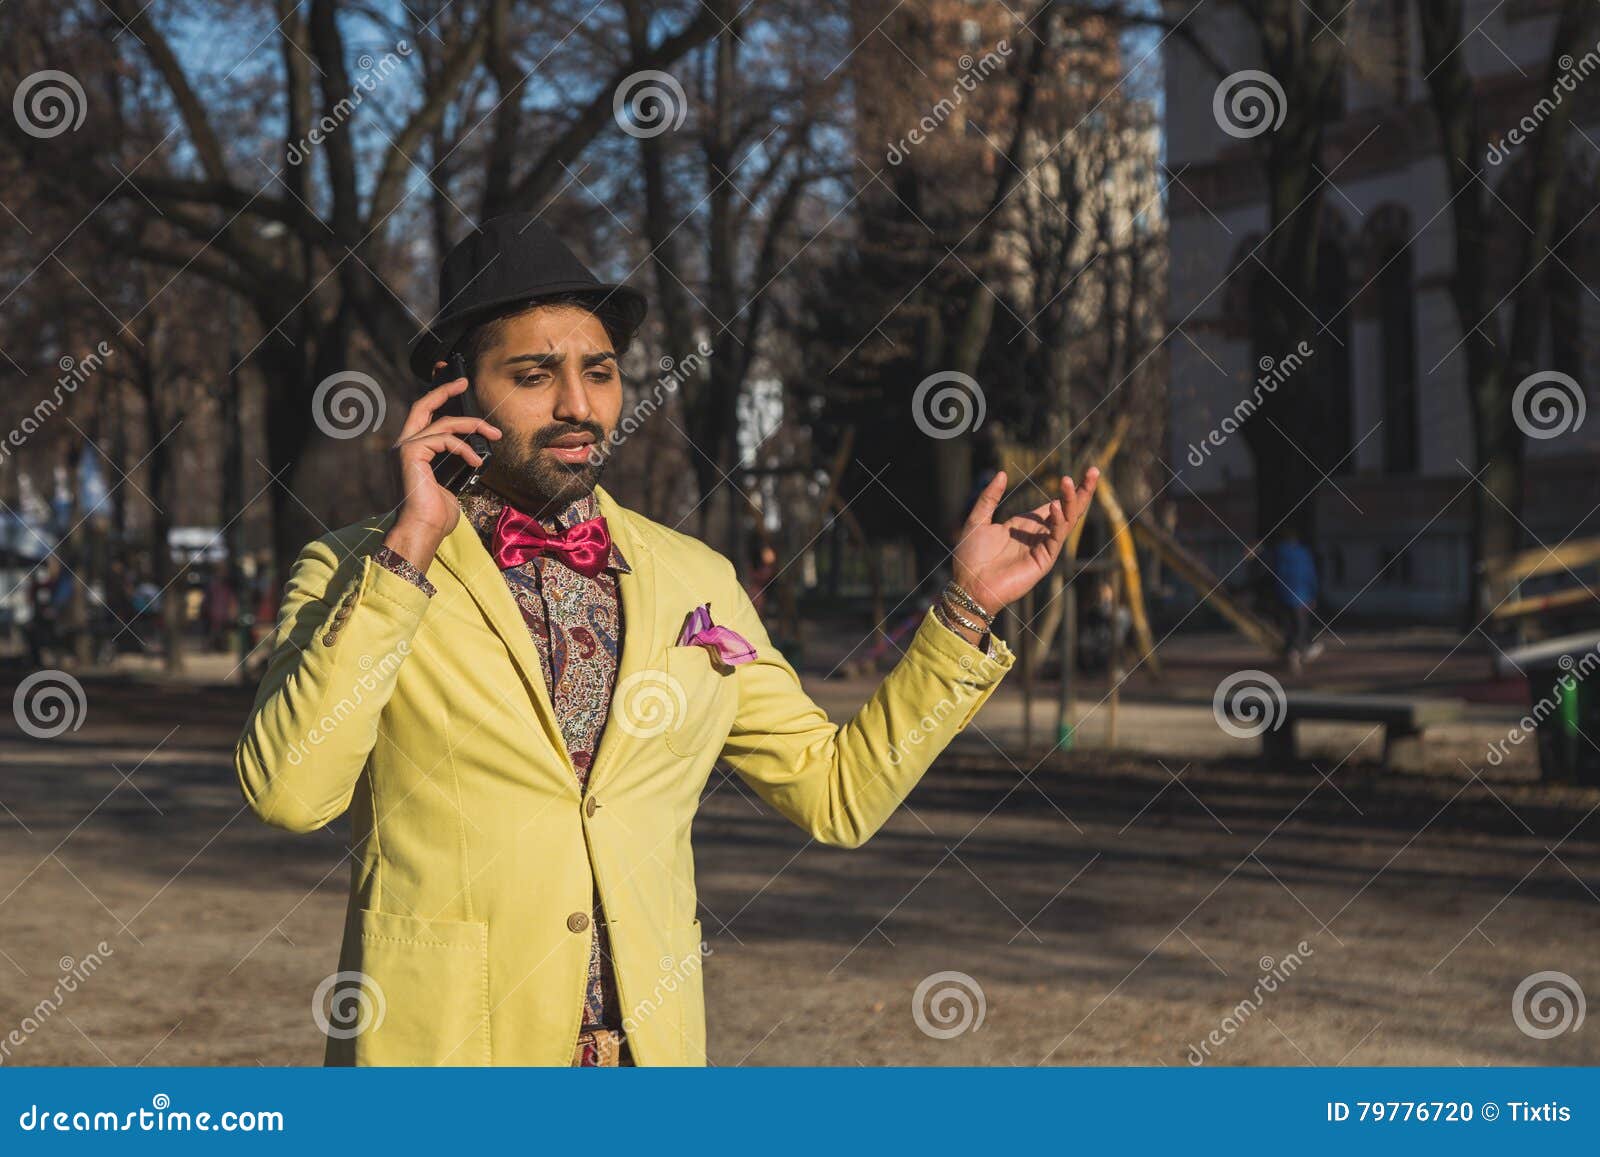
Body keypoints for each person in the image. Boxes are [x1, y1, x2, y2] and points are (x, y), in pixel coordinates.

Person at [234, 213, 1097, 1068]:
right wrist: (410, 549)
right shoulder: (356, 571)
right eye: (534, 375)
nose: (579, 405)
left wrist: (966, 609)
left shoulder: (697, 579)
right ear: (455, 388)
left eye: (600, 373)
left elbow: (838, 794)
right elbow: (288, 792)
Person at [1265, 529, 1322, 672]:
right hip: (1301, 596)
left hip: (1282, 595)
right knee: (1300, 627)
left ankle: (1292, 653)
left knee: (1289, 627)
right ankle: (1295, 653)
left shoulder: (1277, 553)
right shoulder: (1303, 554)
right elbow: (1311, 576)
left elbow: (1271, 573)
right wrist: (1313, 596)